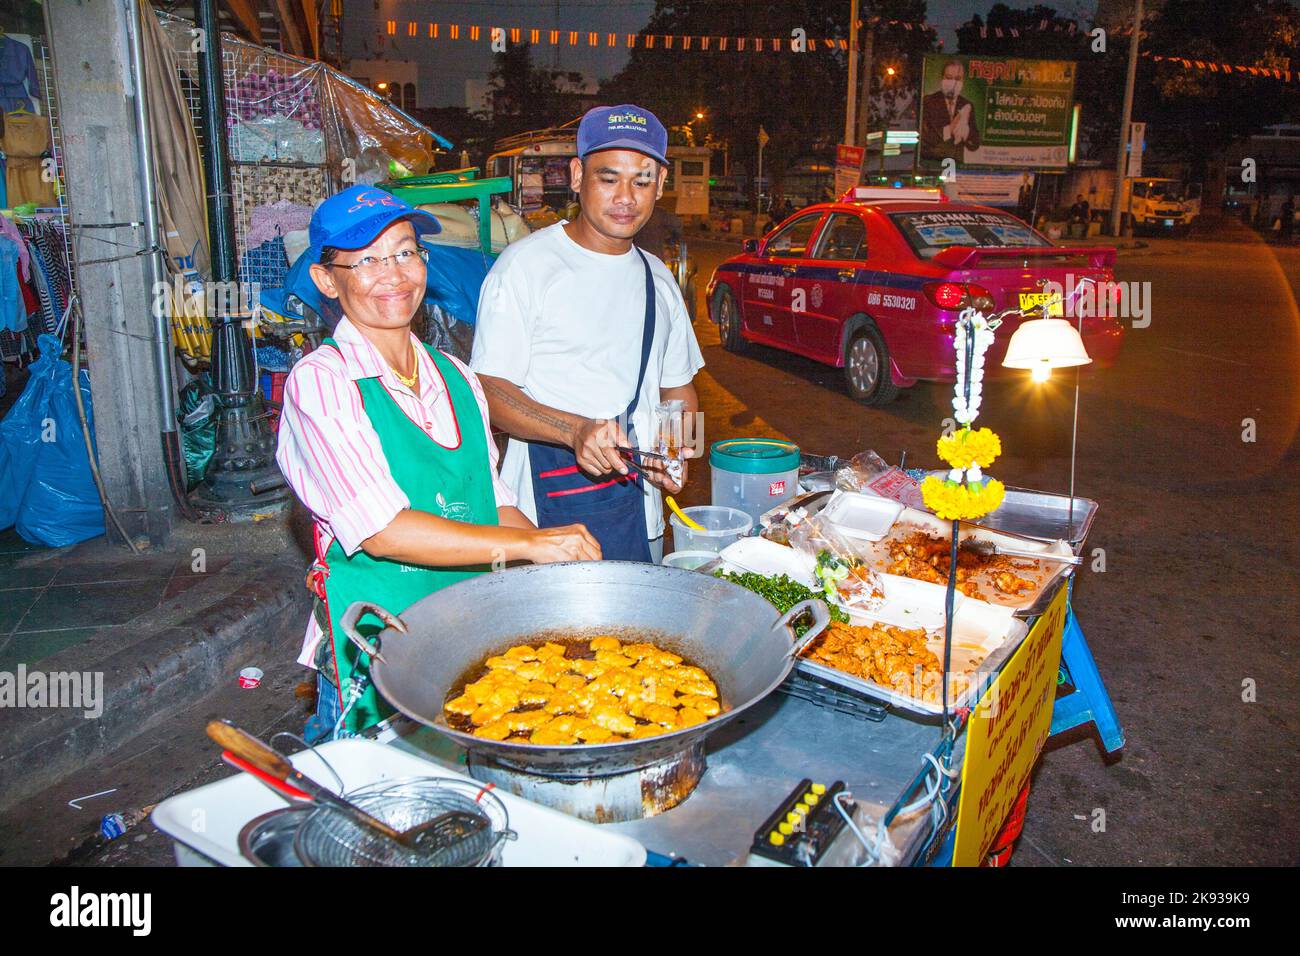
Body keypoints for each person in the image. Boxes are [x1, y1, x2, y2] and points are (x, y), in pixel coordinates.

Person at [276, 186, 600, 739]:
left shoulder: (458, 377)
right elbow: (381, 529)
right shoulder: (323, 383)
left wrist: (564, 567)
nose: (394, 274)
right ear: (328, 279)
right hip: (379, 650)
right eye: (367, 260)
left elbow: (490, 502)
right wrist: (529, 547)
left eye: (405, 252)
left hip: (471, 641)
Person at [472, 104, 706, 563]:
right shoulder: (526, 266)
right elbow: (489, 388)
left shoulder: (657, 279)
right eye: (608, 177)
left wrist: (680, 451)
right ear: (577, 176)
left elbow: (678, 384)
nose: (626, 196)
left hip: (641, 512)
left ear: (661, 184)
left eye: (642, 179)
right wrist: (574, 430)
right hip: (544, 515)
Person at [920, 60, 981, 164]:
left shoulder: (967, 105)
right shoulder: (928, 102)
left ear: (963, 81)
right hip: (932, 162)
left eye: (957, 79)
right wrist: (951, 128)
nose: (953, 83)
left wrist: (966, 134)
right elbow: (927, 137)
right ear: (942, 78)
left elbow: (974, 143)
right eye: (949, 78)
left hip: (956, 164)